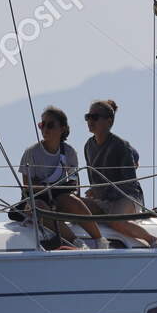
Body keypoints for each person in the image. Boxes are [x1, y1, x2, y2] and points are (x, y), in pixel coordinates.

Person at [81, 99, 157, 247]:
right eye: (88, 117)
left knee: (116, 221)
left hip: (127, 196)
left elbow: (129, 184)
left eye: (95, 117)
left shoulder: (121, 146)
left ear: (109, 121)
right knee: (75, 207)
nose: (90, 121)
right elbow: (94, 179)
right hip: (104, 200)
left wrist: (103, 191)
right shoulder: (88, 146)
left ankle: (153, 240)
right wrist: (96, 191)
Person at [19, 106, 103, 248]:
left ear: (62, 129)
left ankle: (101, 241)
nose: (45, 129)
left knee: (72, 200)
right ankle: (77, 242)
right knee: (38, 206)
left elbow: (74, 185)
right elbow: (27, 188)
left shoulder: (69, 153)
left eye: (50, 125)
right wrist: (50, 188)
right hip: (36, 200)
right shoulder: (31, 153)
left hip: (58, 199)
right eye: (42, 125)